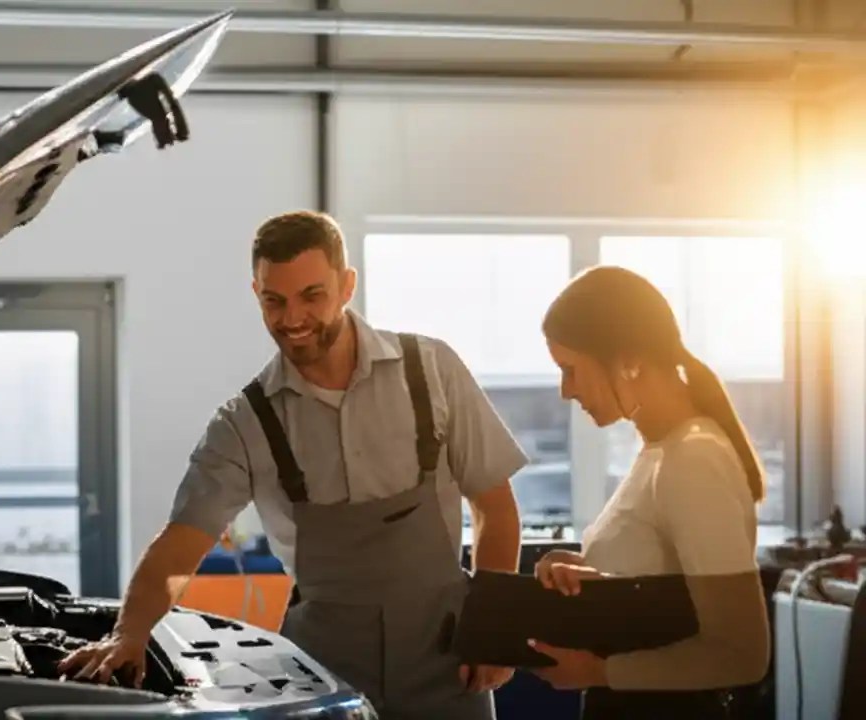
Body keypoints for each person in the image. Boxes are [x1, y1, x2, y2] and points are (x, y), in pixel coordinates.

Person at [58, 210, 528, 719]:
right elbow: (180, 545)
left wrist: (495, 629)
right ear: (256, 293)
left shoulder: (432, 371)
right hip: (324, 675)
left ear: (347, 286)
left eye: (312, 296)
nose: (292, 319)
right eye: (273, 301)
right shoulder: (246, 423)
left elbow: (494, 508)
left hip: (447, 659)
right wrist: (129, 634)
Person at [525, 265, 771, 719]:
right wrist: (589, 571)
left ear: (628, 361)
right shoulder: (661, 450)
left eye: (571, 370)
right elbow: (667, 587)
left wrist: (597, 672)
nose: (565, 391)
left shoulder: (693, 458)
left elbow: (742, 654)